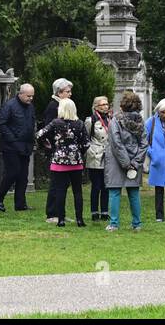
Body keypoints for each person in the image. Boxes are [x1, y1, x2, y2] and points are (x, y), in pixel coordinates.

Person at [36, 98, 89, 227]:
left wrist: (50, 145)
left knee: (60, 190)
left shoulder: (56, 123)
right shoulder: (80, 124)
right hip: (75, 161)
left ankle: (61, 219)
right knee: (77, 191)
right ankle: (80, 220)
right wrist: (78, 151)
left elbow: (39, 134)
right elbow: (86, 143)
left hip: (59, 160)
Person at [104, 91, 148, 231]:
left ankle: (114, 224)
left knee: (115, 192)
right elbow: (144, 144)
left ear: (122, 106)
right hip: (135, 159)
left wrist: (126, 163)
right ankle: (137, 224)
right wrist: (135, 163)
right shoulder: (141, 121)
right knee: (134, 193)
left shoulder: (116, 120)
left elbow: (116, 143)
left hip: (117, 160)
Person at [0, 83, 36, 212]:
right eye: (28, 96)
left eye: (32, 96)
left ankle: (20, 204)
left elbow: (31, 124)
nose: (30, 99)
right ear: (20, 94)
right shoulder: (9, 105)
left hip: (26, 145)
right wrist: (13, 139)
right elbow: (1, 124)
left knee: (23, 175)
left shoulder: (30, 107)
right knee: (13, 172)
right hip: (11, 146)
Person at [41, 77, 73, 222]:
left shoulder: (63, 105)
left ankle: (60, 213)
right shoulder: (53, 106)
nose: (70, 93)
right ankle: (52, 213)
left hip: (63, 151)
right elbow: (47, 130)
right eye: (68, 91)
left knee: (63, 183)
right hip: (56, 151)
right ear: (59, 92)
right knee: (56, 183)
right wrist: (53, 146)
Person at [84, 96, 111, 221]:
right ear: (96, 107)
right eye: (102, 105)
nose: (106, 106)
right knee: (96, 185)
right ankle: (94, 212)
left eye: (107, 104)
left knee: (106, 185)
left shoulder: (110, 119)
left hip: (108, 155)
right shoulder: (91, 120)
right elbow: (86, 138)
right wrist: (90, 150)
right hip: (95, 155)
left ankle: (105, 211)